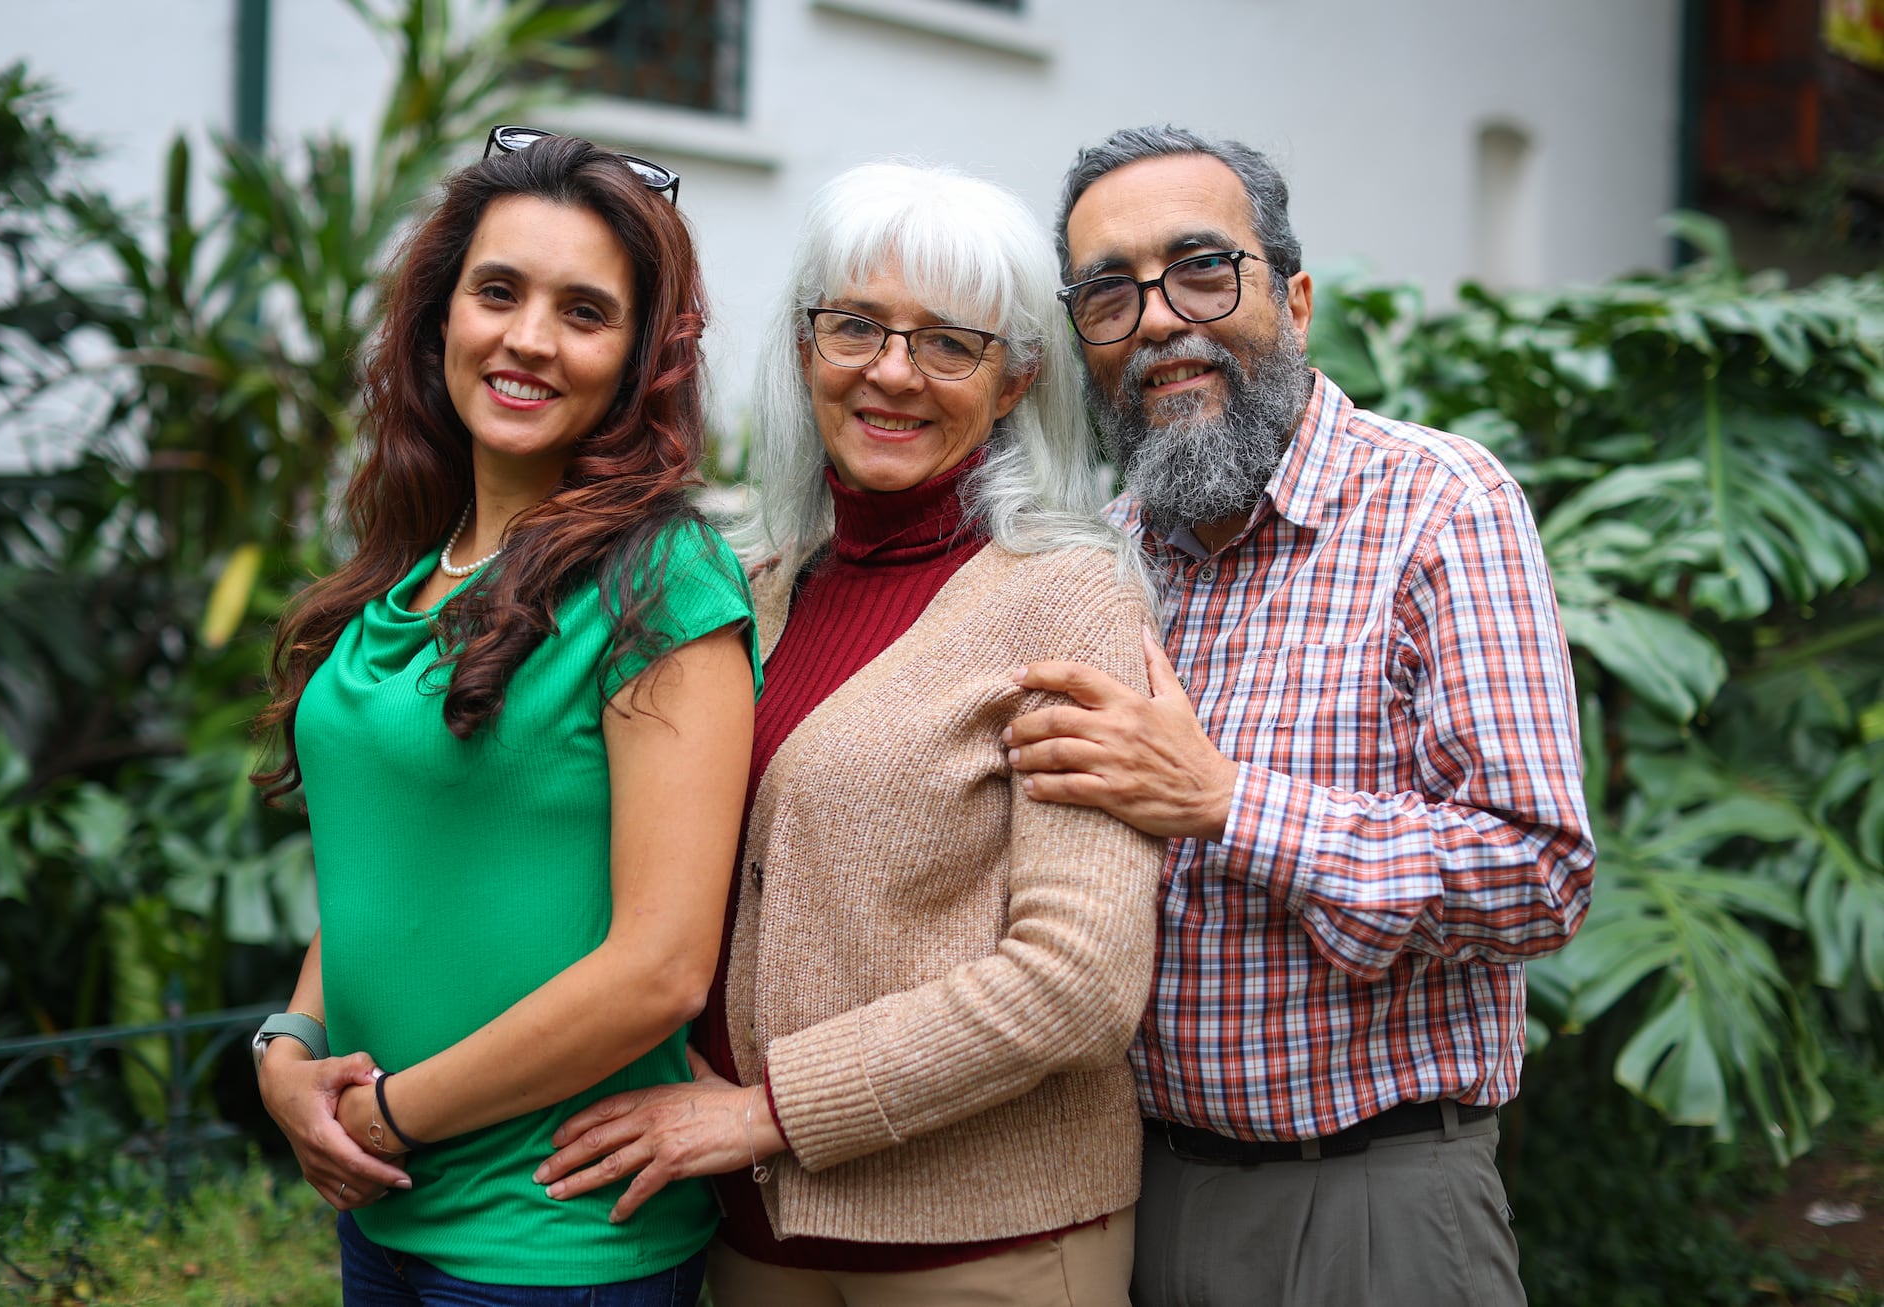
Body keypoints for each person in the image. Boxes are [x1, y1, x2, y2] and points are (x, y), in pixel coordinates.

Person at [532, 161, 1166, 1307]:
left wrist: (764, 1109)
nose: (890, 371)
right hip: (747, 1239)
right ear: (802, 343)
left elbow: (1077, 980)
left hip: (984, 1247)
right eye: (856, 325)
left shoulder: (1067, 597)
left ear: (1017, 376)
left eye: (947, 343)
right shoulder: (751, 583)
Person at [1003, 125, 1597, 1307]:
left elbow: (1539, 872)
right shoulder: (1104, 558)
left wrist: (1224, 803)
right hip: (1128, 1194)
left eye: (1202, 269)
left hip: (1373, 1208)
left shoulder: (1440, 505)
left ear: (1296, 296)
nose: (1160, 320)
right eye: (1109, 294)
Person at [249, 130, 758, 1304]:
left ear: (638, 358)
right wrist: (288, 1046)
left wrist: (386, 1111)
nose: (528, 338)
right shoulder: (404, 571)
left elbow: (661, 966)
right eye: (499, 292)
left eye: (585, 311)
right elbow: (392, 871)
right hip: (384, 1216)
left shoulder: (660, 579)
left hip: (552, 1240)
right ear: (441, 320)